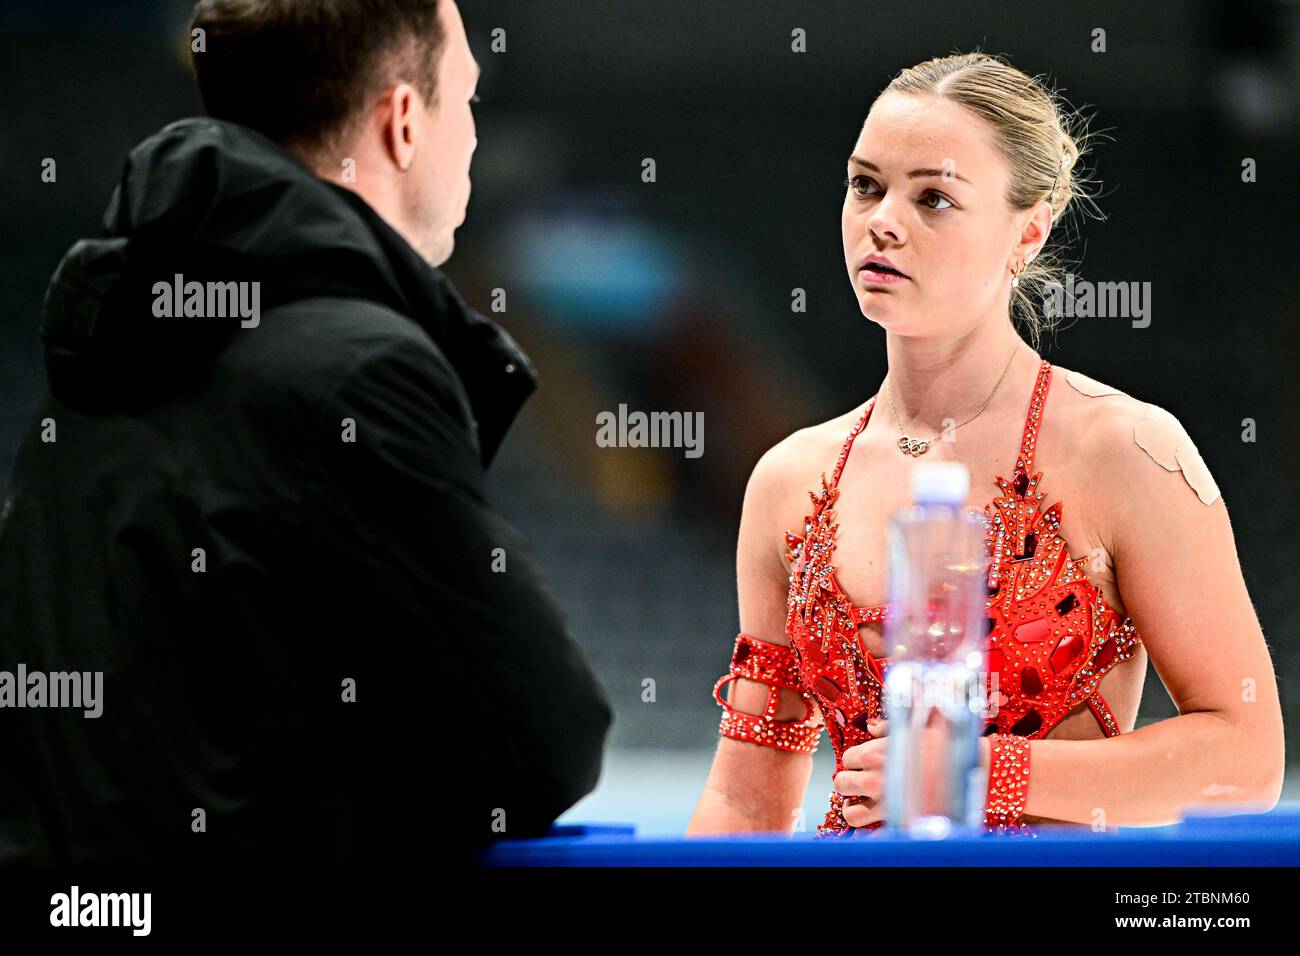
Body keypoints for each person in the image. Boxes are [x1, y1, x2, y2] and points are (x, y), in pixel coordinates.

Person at [0, 0, 611, 865]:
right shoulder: (360, 371)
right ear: (403, 122)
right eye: (468, 103)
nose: (474, 140)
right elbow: (545, 740)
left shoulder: (104, 352)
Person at [689, 52, 1283, 837]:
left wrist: (975, 773)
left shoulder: (1125, 450)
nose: (882, 221)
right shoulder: (789, 478)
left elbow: (1245, 759)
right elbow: (747, 795)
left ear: (1028, 231)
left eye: (933, 197)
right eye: (866, 185)